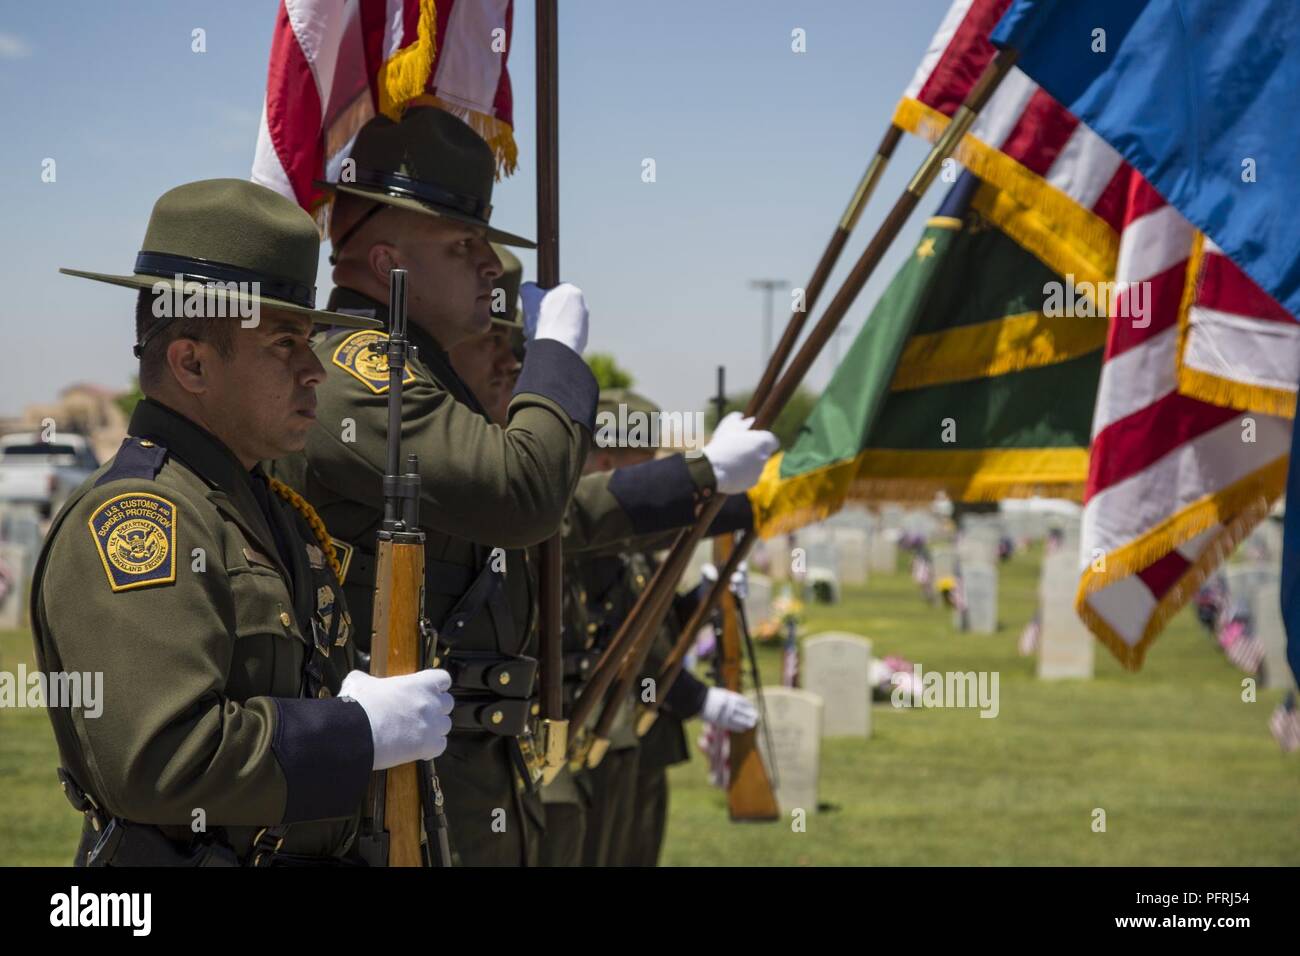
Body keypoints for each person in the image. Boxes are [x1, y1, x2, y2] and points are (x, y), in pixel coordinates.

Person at [34, 178, 453, 867]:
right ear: (192, 363)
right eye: (285, 344)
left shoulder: (262, 507)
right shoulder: (144, 517)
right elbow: (159, 758)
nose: (316, 371)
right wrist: (355, 732)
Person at [279, 107, 599, 866]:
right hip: (384, 798)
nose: (490, 266)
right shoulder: (358, 373)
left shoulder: (422, 375)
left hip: (447, 783)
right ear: (388, 260)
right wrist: (556, 358)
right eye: (464, 245)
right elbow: (525, 493)